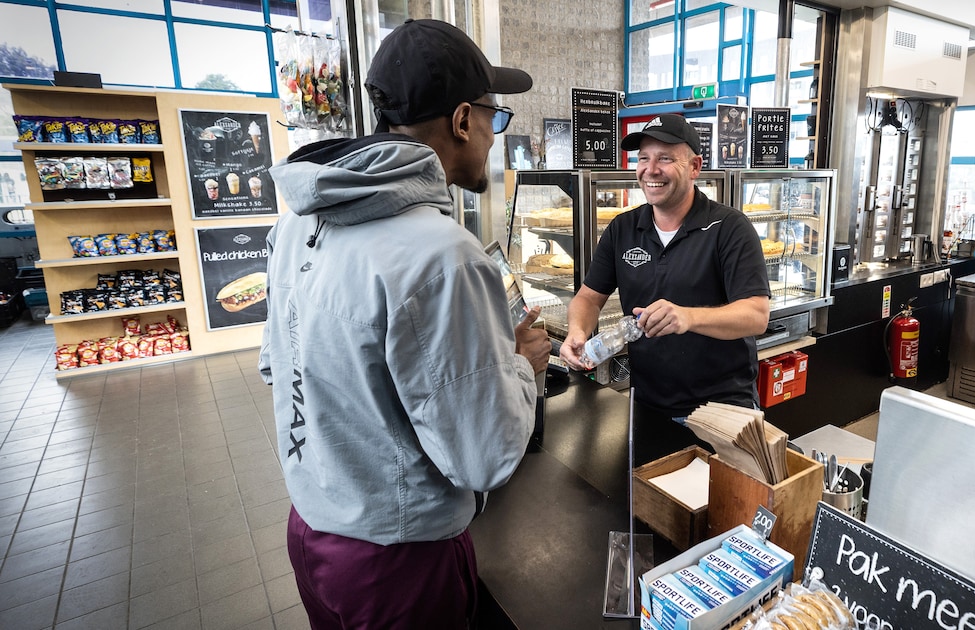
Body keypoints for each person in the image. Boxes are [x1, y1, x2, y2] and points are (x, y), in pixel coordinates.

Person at [257, 18, 550, 630]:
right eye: (496, 120)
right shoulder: (444, 254)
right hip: (399, 564)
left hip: (311, 529)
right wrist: (522, 366)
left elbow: (276, 365)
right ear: (463, 120)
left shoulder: (298, 222)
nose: (495, 140)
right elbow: (485, 455)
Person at [559, 114, 770, 421]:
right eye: (643, 158)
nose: (651, 169)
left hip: (722, 408)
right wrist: (576, 331)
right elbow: (589, 298)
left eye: (665, 158)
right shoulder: (623, 229)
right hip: (648, 402)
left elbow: (756, 315)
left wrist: (687, 317)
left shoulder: (729, 228)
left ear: (695, 167)